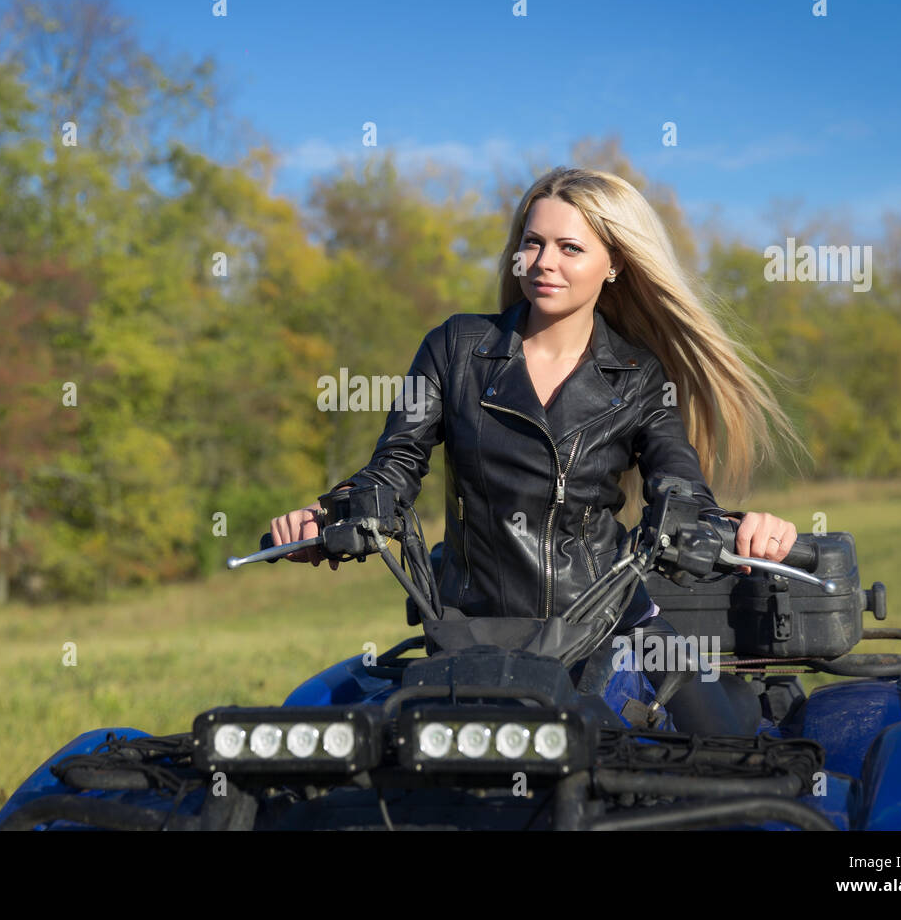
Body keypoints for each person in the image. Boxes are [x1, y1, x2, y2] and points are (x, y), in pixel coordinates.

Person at [270, 167, 806, 734]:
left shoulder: (641, 375)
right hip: (468, 632)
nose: (544, 261)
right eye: (533, 242)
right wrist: (338, 513)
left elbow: (679, 486)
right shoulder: (454, 347)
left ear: (616, 264)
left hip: (608, 625)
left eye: (571, 247)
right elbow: (395, 464)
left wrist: (738, 528)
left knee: (727, 750)